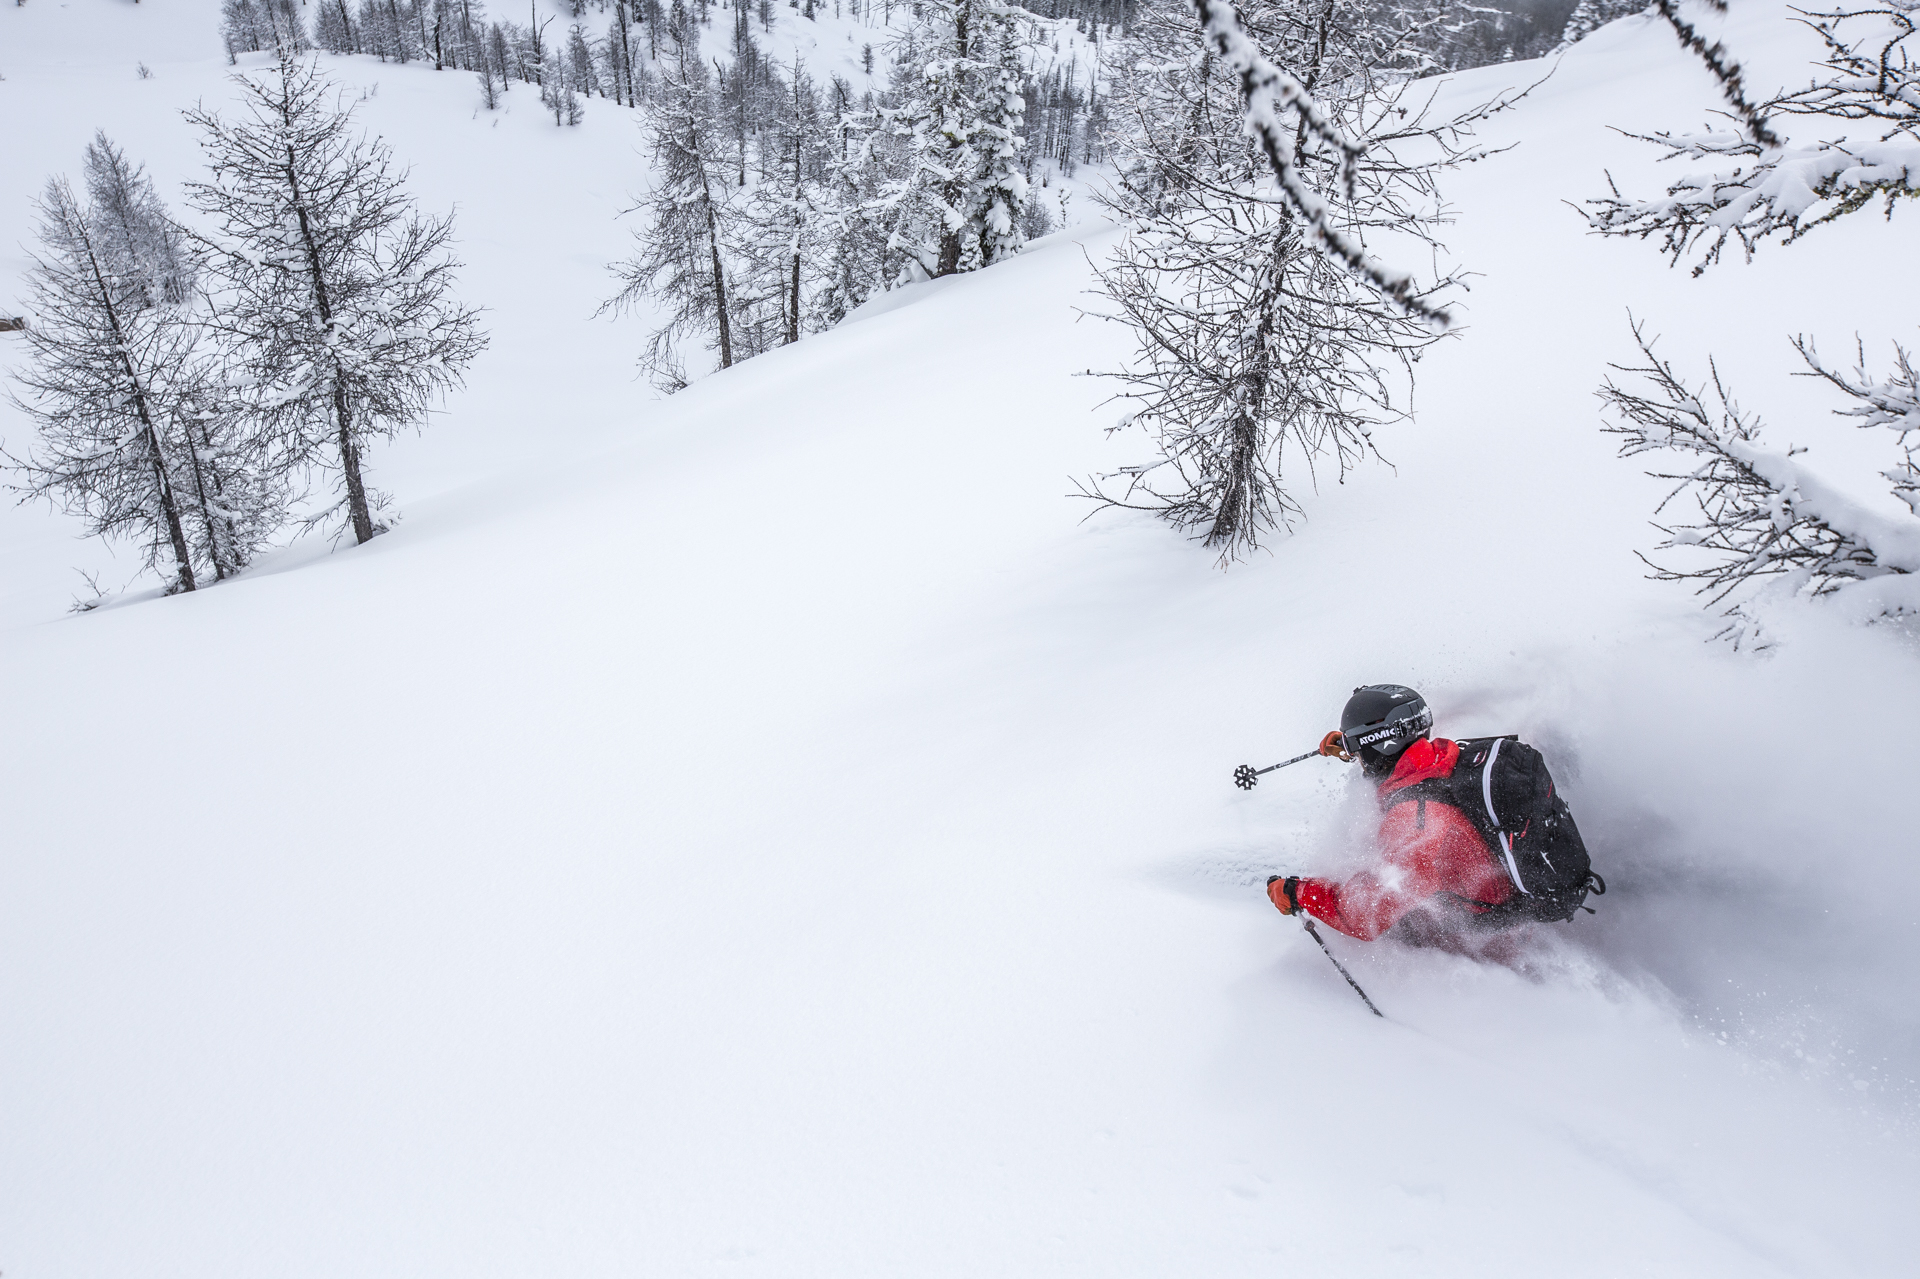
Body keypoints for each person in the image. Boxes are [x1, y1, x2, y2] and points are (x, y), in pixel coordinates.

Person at [1264, 684, 1527, 944]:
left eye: (1358, 749)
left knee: (1395, 929)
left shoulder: (1417, 823)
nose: (1357, 758)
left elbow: (1364, 914)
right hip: (1472, 883)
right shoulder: (1440, 758)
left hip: (1488, 927)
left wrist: (1298, 892)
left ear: (1377, 744)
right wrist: (1354, 745)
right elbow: (1390, 763)